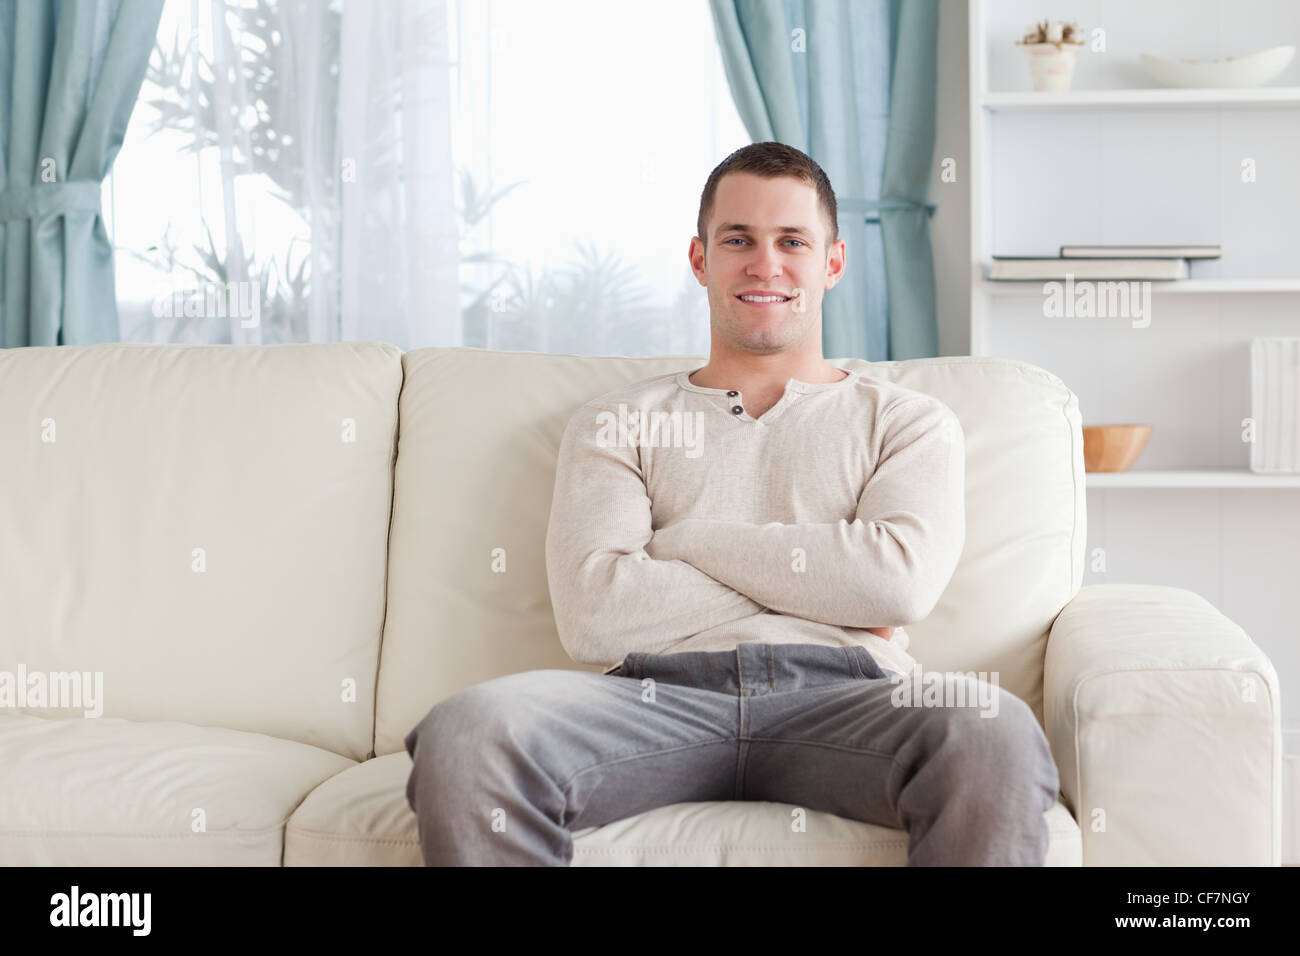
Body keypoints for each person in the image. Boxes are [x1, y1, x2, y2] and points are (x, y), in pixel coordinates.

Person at [404, 141, 1060, 865]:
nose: (765, 265)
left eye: (792, 242)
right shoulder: (617, 423)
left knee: (992, 727)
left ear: (832, 263)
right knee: (469, 731)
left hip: (851, 699)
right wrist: (831, 579)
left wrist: (680, 541)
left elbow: (895, 585)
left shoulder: (907, 422)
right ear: (699, 259)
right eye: (738, 240)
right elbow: (595, 617)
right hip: (653, 700)